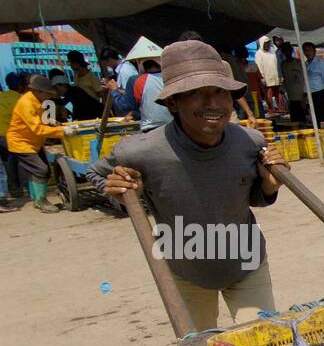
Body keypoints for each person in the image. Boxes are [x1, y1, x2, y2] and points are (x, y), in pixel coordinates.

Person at [88, 40, 289, 330]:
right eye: (196, 94)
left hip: (246, 263)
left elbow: (253, 194)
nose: (213, 104)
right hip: (185, 270)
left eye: (221, 92)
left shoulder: (249, 143)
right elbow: (97, 174)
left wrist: (269, 187)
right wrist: (122, 194)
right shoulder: (139, 152)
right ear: (172, 102)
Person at [5, 74, 68, 213]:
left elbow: (41, 119)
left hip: (33, 141)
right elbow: (37, 128)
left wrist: (53, 123)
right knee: (41, 169)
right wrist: (62, 131)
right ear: (39, 91)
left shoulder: (36, 101)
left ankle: (37, 199)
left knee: (40, 170)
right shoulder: (26, 103)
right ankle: (41, 201)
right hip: (22, 143)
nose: (49, 97)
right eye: (47, 94)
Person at [0, 72, 25, 201]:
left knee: (5, 164)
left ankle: (9, 190)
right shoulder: (19, 98)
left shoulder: (4, 97)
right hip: (9, 136)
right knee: (18, 161)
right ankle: (18, 189)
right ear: (20, 85)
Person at [133, 58, 171, 132]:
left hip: (150, 126)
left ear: (144, 69)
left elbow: (134, 103)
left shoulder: (140, 80)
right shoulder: (168, 77)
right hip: (171, 124)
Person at [302, 42, 324, 123]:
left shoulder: (321, 63)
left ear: (314, 51)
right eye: (306, 51)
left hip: (321, 93)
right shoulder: (305, 64)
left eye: (309, 50)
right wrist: (304, 98)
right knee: (316, 118)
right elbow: (305, 82)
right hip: (311, 95)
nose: (308, 53)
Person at [255, 39, 284, 113]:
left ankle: (281, 109)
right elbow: (258, 66)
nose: (267, 44)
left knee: (279, 94)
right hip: (267, 77)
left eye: (268, 43)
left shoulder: (272, 50)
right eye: (266, 43)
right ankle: (271, 109)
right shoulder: (259, 53)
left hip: (276, 75)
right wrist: (262, 77)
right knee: (269, 94)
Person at [282, 45, 308, 124]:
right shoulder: (283, 64)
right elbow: (284, 78)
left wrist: (305, 95)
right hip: (291, 96)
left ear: (291, 51)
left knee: (303, 119)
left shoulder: (298, 62)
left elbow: (305, 78)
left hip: (301, 95)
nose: (287, 53)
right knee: (294, 120)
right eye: (285, 51)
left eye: (289, 51)